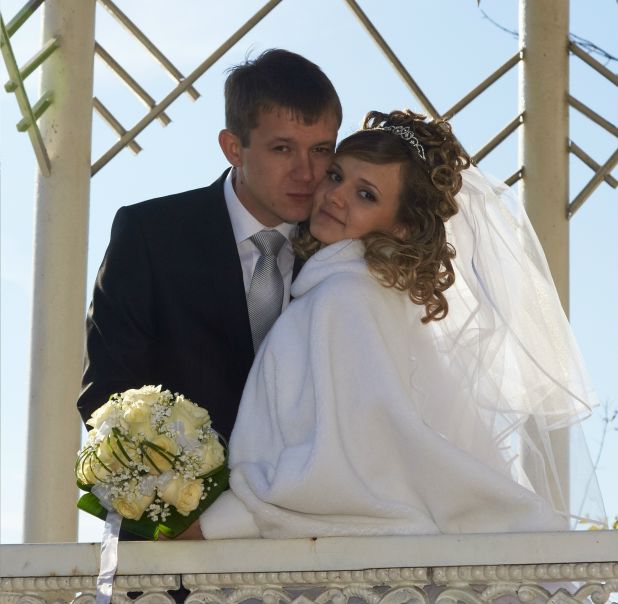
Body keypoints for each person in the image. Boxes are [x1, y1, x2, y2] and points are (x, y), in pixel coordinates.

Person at [198, 109, 605, 539]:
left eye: (366, 195)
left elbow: (342, 473)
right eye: (336, 176)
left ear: (403, 227)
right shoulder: (363, 293)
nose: (336, 197)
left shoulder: (344, 299)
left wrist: (214, 524)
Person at [77, 49, 341, 443]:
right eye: (282, 149)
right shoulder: (150, 236)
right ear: (233, 148)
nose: (306, 172)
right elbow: (108, 397)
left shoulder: (343, 249)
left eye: (320, 150)